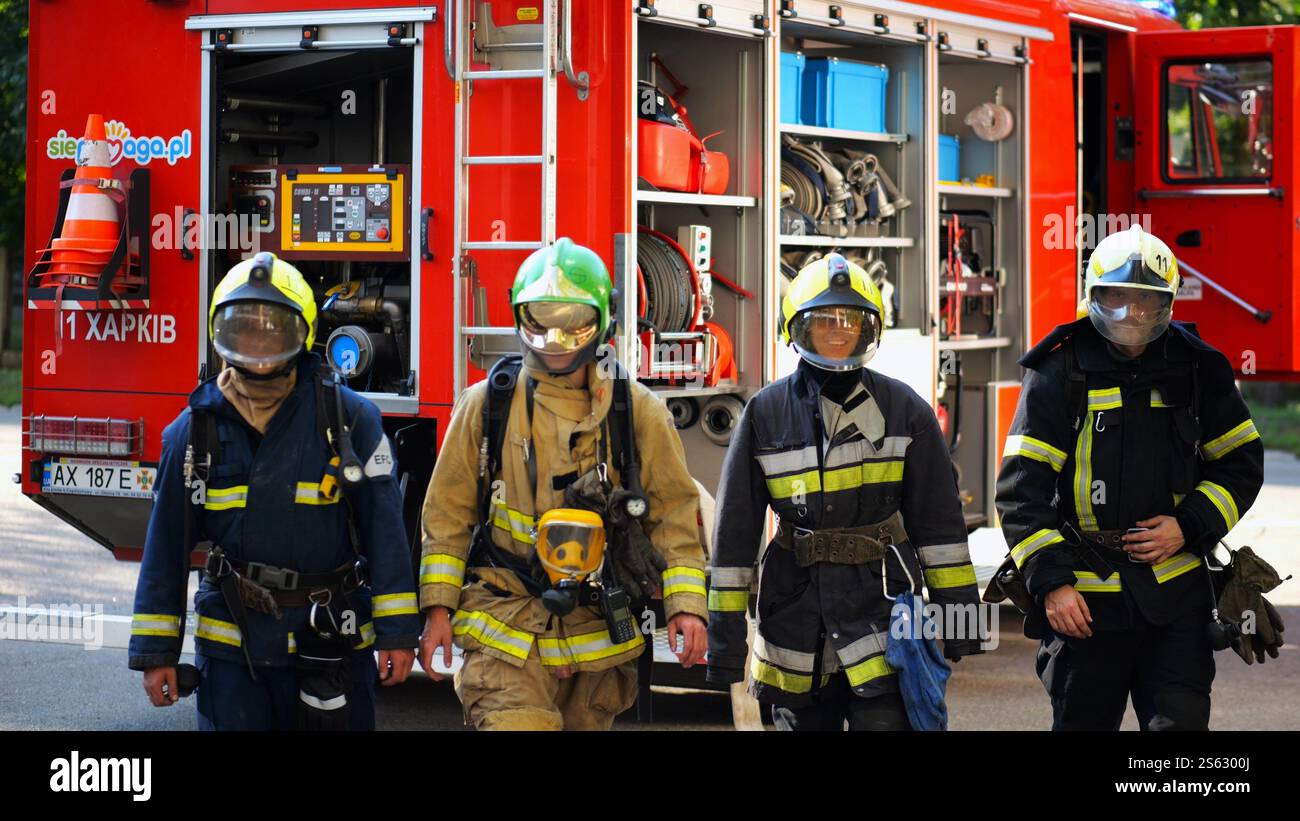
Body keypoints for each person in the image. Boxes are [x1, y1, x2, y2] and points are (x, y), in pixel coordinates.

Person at [416, 237, 708, 731]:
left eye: (573, 324)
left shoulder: (636, 411)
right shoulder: (486, 405)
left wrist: (687, 608)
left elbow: (674, 519)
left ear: (603, 322)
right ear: (518, 318)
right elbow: (446, 516)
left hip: (597, 633)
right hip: (504, 621)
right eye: (541, 321)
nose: (555, 340)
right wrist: (437, 609)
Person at [128, 251, 420, 730]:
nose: (259, 344)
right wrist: (156, 652)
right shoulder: (192, 433)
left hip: (331, 643)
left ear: (301, 333)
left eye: (272, 329)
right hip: (232, 654)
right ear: (220, 334)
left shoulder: (351, 422)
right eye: (244, 328)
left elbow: (386, 535)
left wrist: (397, 634)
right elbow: (165, 550)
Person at [995, 224, 1264, 730]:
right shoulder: (1059, 371)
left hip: (1177, 599)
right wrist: (1052, 584)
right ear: (1095, 296)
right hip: (1084, 601)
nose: (1131, 314)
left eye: (1145, 300)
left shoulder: (1197, 368)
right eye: (1117, 298)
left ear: (1167, 303)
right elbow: (1019, 492)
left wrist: (1188, 525)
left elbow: (1241, 464)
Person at [705, 253, 983, 731]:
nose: (837, 332)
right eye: (823, 322)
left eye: (849, 321)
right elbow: (734, 539)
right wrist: (725, 649)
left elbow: (940, 531)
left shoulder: (905, 410)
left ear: (868, 330)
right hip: (794, 618)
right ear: (798, 330)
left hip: (879, 609)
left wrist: (960, 626)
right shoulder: (765, 415)